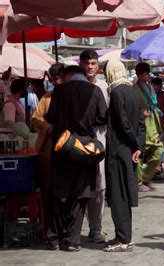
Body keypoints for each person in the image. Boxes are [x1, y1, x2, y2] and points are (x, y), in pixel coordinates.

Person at [45, 65, 107, 251]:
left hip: (62, 148)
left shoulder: (59, 91)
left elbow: (51, 117)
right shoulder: (95, 91)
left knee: (58, 194)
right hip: (84, 150)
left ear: (67, 75)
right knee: (80, 195)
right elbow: (103, 117)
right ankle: (72, 240)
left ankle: (54, 238)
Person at [103, 59, 145, 252]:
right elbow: (140, 125)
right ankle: (123, 236)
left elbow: (123, 123)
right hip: (129, 151)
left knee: (119, 195)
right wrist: (138, 147)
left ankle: (123, 239)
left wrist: (134, 144)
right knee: (124, 195)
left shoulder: (118, 92)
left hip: (119, 150)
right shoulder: (133, 92)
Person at [79, 49, 110, 243]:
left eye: (93, 63)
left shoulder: (105, 87)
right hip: (78, 143)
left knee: (99, 186)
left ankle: (95, 226)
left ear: (98, 66)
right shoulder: (74, 86)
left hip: (99, 141)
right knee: (79, 184)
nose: (90, 67)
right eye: (87, 63)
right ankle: (74, 227)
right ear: (81, 64)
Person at [32, 63, 65, 231]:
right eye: (53, 79)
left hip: (68, 151)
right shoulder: (46, 98)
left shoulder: (70, 96)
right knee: (46, 190)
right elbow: (36, 119)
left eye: (58, 78)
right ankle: (46, 224)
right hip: (47, 152)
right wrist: (48, 128)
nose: (56, 82)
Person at [133, 62, 163, 192]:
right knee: (140, 153)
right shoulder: (134, 89)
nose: (147, 76)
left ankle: (146, 177)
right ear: (139, 75)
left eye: (148, 73)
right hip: (142, 125)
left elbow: (154, 103)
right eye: (145, 74)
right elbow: (132, 106)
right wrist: (140, 112)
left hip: (153, 124)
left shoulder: (150, 87)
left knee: (159, 151)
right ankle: (139, 181)